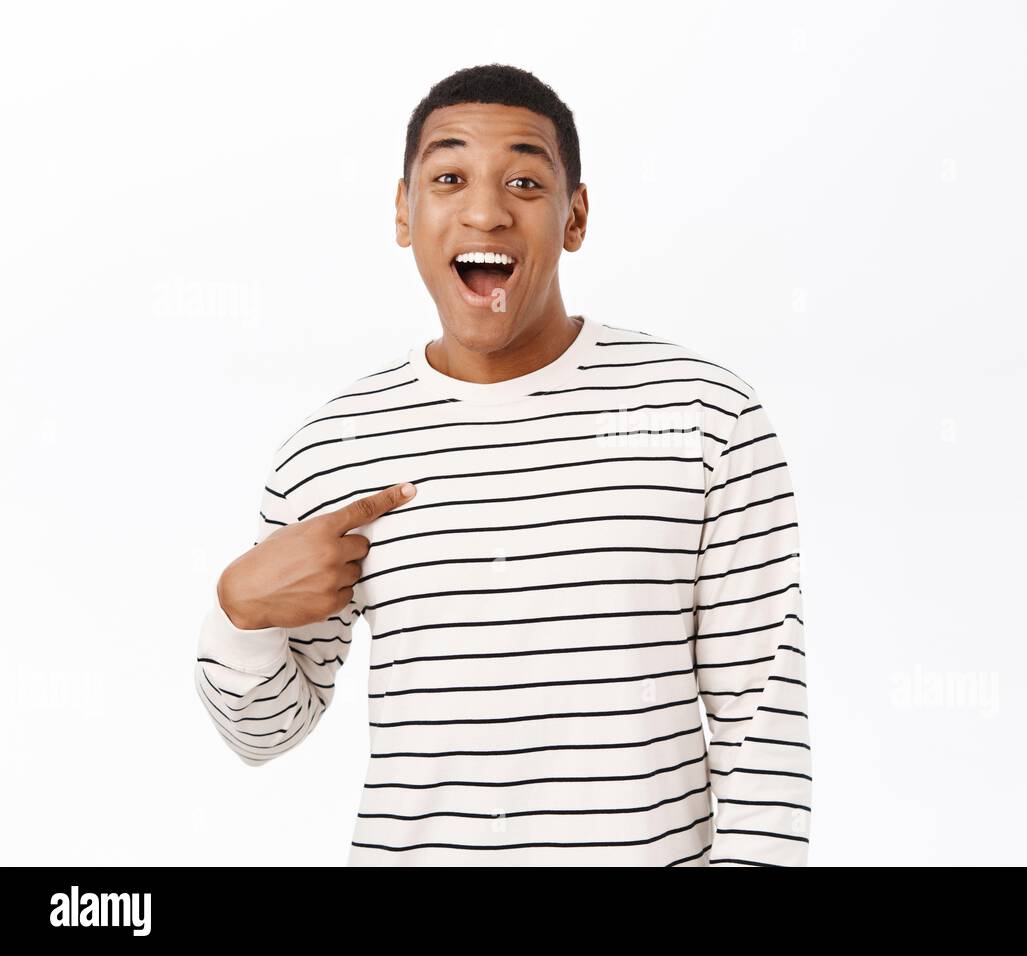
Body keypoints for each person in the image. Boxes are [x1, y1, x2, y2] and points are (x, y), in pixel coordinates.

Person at [194, 63, 812, 866]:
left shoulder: (702, 416)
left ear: (574, 216)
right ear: (404, 213)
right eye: (449, 177)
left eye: (524, 180)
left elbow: (761, 722)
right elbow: (265, 735)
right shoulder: (333, 450)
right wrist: (236, 614)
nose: (485, 209)